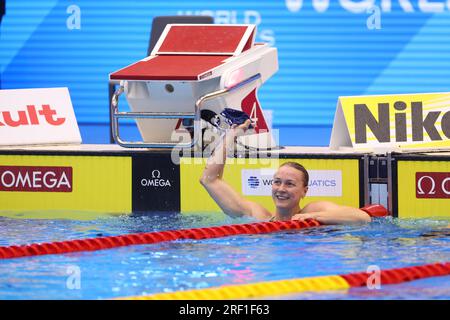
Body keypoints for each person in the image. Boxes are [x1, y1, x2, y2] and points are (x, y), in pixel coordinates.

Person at [200, 120, 372, 225]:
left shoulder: (313, 211)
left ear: (305, 191)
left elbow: (362, 218)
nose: (281, 188)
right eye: (277, 182)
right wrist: (231, 135)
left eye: (290, 184)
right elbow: (209, 180)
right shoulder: (257, 216)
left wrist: (315, 217)